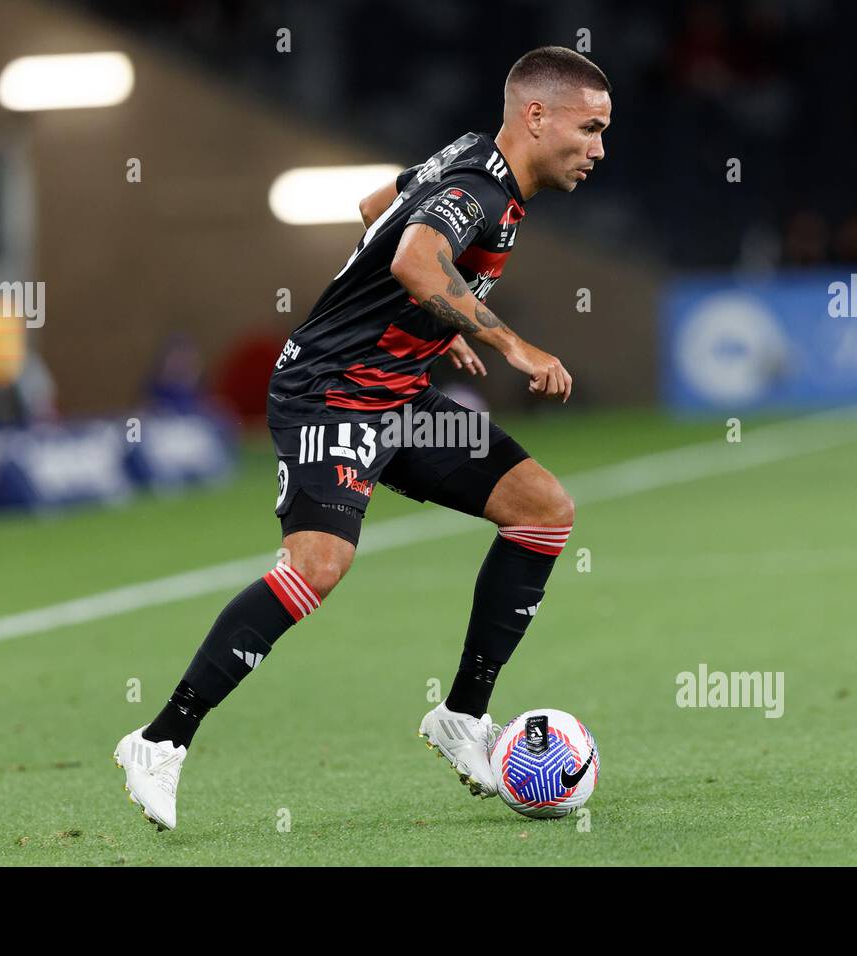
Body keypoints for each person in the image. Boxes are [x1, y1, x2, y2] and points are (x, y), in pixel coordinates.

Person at [115, 46, 611, 830]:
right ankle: (160, 740)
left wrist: (434, 320)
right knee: (320, 564)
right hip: (332, 394)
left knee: (543, 510)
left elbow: (375, 205)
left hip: (396, 393)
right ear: (536, 116)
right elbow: (416, 256)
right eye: (589, 129)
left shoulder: (470, 157)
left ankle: (462, 719)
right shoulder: (480, 186)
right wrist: (507, 343)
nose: (598, 150)